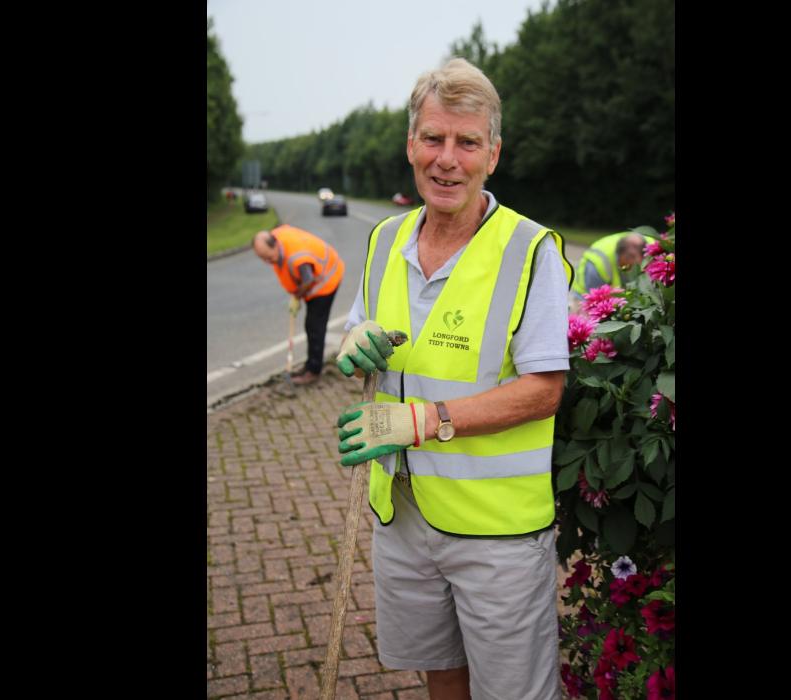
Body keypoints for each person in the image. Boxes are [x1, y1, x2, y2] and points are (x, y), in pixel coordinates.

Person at [332, 57, 572, 700]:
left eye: (467, 143)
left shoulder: (530, 251)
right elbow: (360, 326)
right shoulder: (385, 239)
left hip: (495, 531)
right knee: (441, 672)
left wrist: (423, 421)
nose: (448, 159)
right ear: (411, 145)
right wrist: (353, 342)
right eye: (434, 138)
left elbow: (546, 389)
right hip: (402, 513)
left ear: (492, 155)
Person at [252, 225, 345, 385]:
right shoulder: (275, 239)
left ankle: (314, 371)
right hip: (317, 276)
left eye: (268, 257)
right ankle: (310, 365)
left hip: (327, 280)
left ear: (275, 245)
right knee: (311, 326)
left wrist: (297, 295)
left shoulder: (297, 258)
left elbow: (308, 280)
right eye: (263, 258)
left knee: (315, 326)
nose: (267, 262)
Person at [569, 227, 658, 309]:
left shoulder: (655, 247)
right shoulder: (599, 263)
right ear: (620, 254)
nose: (629, 268)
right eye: (626, 264)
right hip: (585, 294)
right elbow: (596, 304)